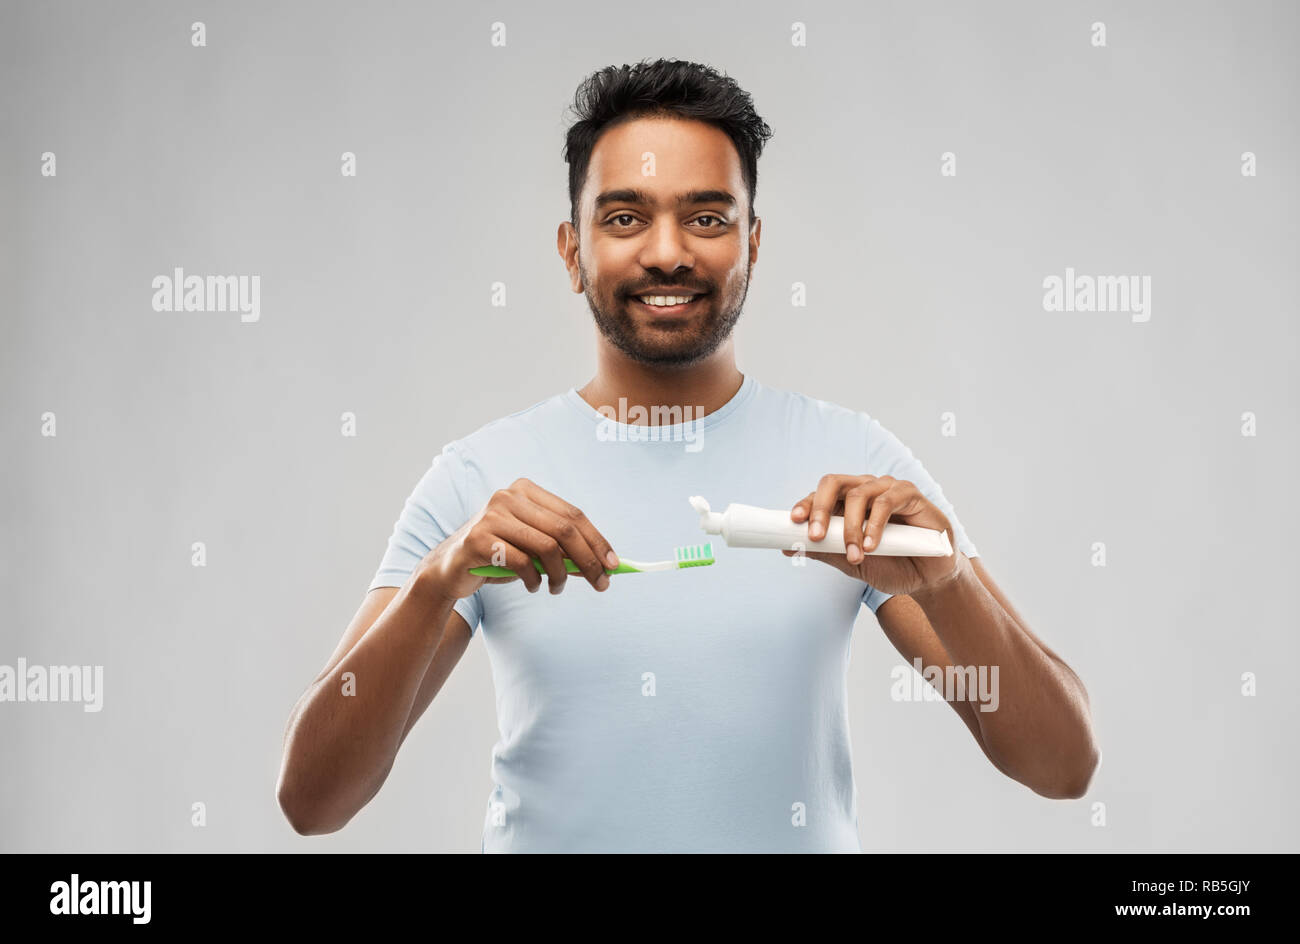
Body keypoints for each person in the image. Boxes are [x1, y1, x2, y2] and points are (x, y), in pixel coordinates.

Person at [276, 58, 1100, 853]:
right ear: (572, 251)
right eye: (625, 217)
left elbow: (1061, 765)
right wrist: (440, 579)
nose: (668, 252)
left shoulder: (853, 468)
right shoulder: (477, 481)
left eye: (707, 218)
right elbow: (313, 803)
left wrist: (947, 581)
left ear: (753, 242)